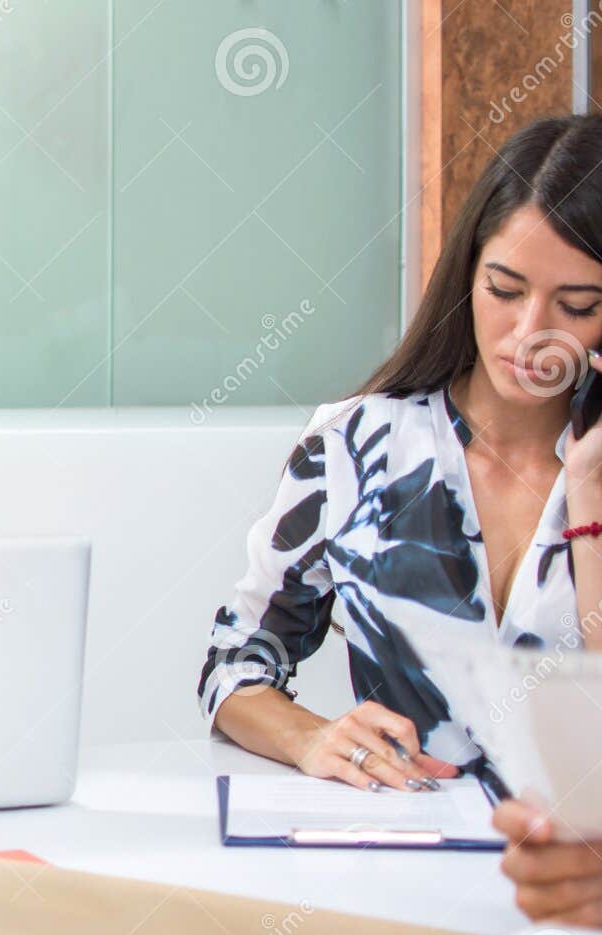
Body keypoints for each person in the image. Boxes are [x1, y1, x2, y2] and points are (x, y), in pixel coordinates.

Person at [199, 114, 602, 794]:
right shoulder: (354, 448)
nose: (531, 332)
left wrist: (587, 494)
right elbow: (233, 663)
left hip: (576, 875)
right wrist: (312, 736)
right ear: (467, 275)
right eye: (504, 290)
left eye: (578, 304)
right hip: (402, 849)